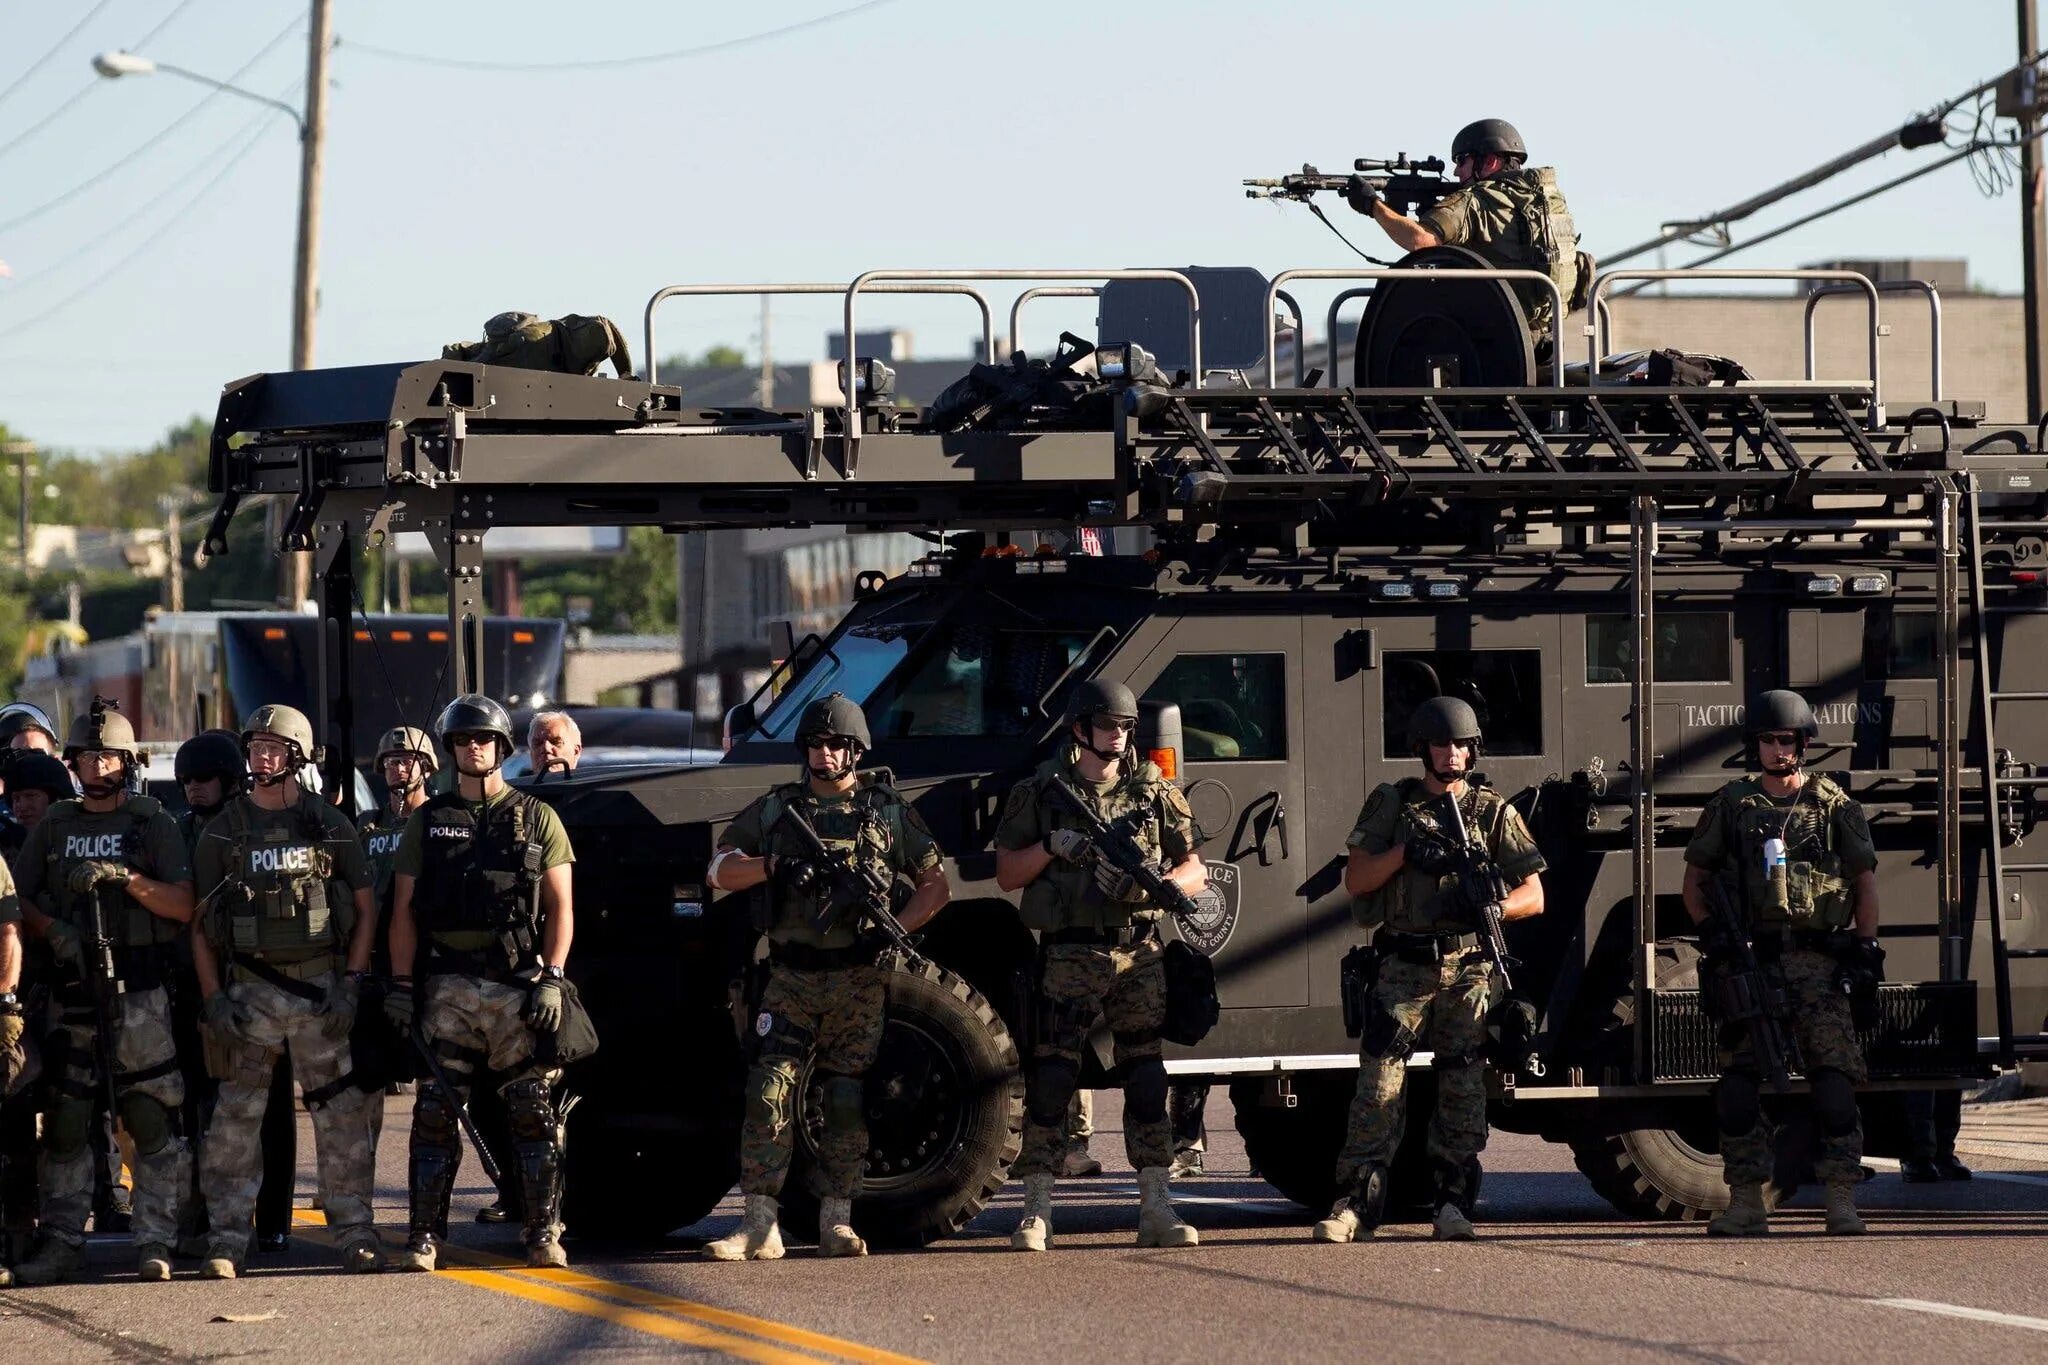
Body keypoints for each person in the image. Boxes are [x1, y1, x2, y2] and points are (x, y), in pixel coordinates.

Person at [703, 694, 950, 1261]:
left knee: (844, 1099)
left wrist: (891, 932)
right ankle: (759, 1224)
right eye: (815, 744)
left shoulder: (887, 811)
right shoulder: (778, 809)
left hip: (858, 979)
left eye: (836, 744)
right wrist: (773, 865)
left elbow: (937, 885)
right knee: (768, 1094)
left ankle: (836, 1221)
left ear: (856, 750)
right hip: (791, 977)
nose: (824, 754)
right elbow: (717, 871)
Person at [1314, 696, 1545, 1244]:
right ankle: (1357, 1204)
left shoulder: (1492, 812)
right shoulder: (1393, 804)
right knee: (1378, 1086)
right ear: (1423, 749)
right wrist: (1405, 852)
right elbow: (1357, 879)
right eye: (1443, 745)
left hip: (1468, 967)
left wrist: (1492, 908)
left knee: (1463, 1088)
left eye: (1463, 745)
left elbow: (1534, 894)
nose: (1453, 755)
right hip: (1404, 963)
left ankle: (1452, 1202)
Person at [995, 679, 1208, 1253]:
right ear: (1080, 730)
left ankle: (1157, 1206)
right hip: (1068, 950)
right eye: (1109, 726)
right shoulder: (1041, 793)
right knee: (1052, 1080)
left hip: (1137, 950)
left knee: (1145, 1078)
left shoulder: (1154, 792)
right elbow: (1007, 873)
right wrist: (1052, 848)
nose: (1118, 736)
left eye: (1126, 728)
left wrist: (1163, 885)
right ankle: (1036, 1210)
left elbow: (1196, 866)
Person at [384, 694, 580, 1271]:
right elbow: (403, 913)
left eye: (485, 740)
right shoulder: (426, 821)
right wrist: (400, 984)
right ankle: (423, 1235)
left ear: (501, 747)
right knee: (435, 1113)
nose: (476, 748)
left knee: (534, 1113)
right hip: (447, 985)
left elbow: (562, 907)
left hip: (518, 985)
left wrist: (552, 976)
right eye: (465, 740)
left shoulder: (537, 815)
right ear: (450, 749)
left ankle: (543, 1233)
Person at [189, 705, 382, 1277]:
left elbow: (366, 911)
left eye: (273, 747)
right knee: (234, 1122)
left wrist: (350, 983)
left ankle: (354, 1231)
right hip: (248, 995)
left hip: (320, 994)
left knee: (343, 1118)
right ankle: (226, 1239)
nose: (261, 757)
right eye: (255, 747)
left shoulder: (329, 824)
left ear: (298, 755)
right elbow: (198, 925)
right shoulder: (223, 828)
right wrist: (213, 998)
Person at [7, 699, 195, 1285]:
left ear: (129, 761)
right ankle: (63, 1242)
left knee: (149, 1115)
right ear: (73, 764)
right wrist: (53, 931)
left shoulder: (152, 822)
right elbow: (18, 902)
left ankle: (157, 1238)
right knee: (66, 1122)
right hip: (72, 992)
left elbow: (186, 905)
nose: (98, 767)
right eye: (87, 757)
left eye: (109, 757)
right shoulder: (57, 825)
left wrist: (128, 881)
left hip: (140, 991)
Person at [1683, 689, 1882, 1237]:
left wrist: (1866, 949)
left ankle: (1841, 1198)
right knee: (1739, 1090)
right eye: (1768, 740)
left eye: (1786, 740)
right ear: (1756, 745)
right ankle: (1746, 1200)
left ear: (1803, 743)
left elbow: (1864, 882)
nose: (1777, 749)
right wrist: (1713, 937)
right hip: (1752, 962)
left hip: (1817, 963)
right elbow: (1694, 882)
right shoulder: (1731, 804)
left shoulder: (1835, 805)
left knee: (1835, 1087)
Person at [1343, 117, 1581, 350]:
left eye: (1462, 160)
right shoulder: (1546, 199)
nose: (1456, 171)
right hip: (1544, 338)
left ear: (1489, 161)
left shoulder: (1476, 200)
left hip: (1491, 339)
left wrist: (1373, 205)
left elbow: (1420, 241)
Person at [360, 727, 438, 1157]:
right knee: (366, 1078)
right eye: (391, 762)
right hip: (374, 966)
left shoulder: (438, 820)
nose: (398, 768)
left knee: (433, 1087)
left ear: (426, 767)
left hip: (424, 965)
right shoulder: (367, 826)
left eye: (406, 760)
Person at [526, 712, 582, 779]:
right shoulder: (518, 786)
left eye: (556, 742)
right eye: (537, 743)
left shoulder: (594, 785)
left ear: (576, 751)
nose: (546, 748)